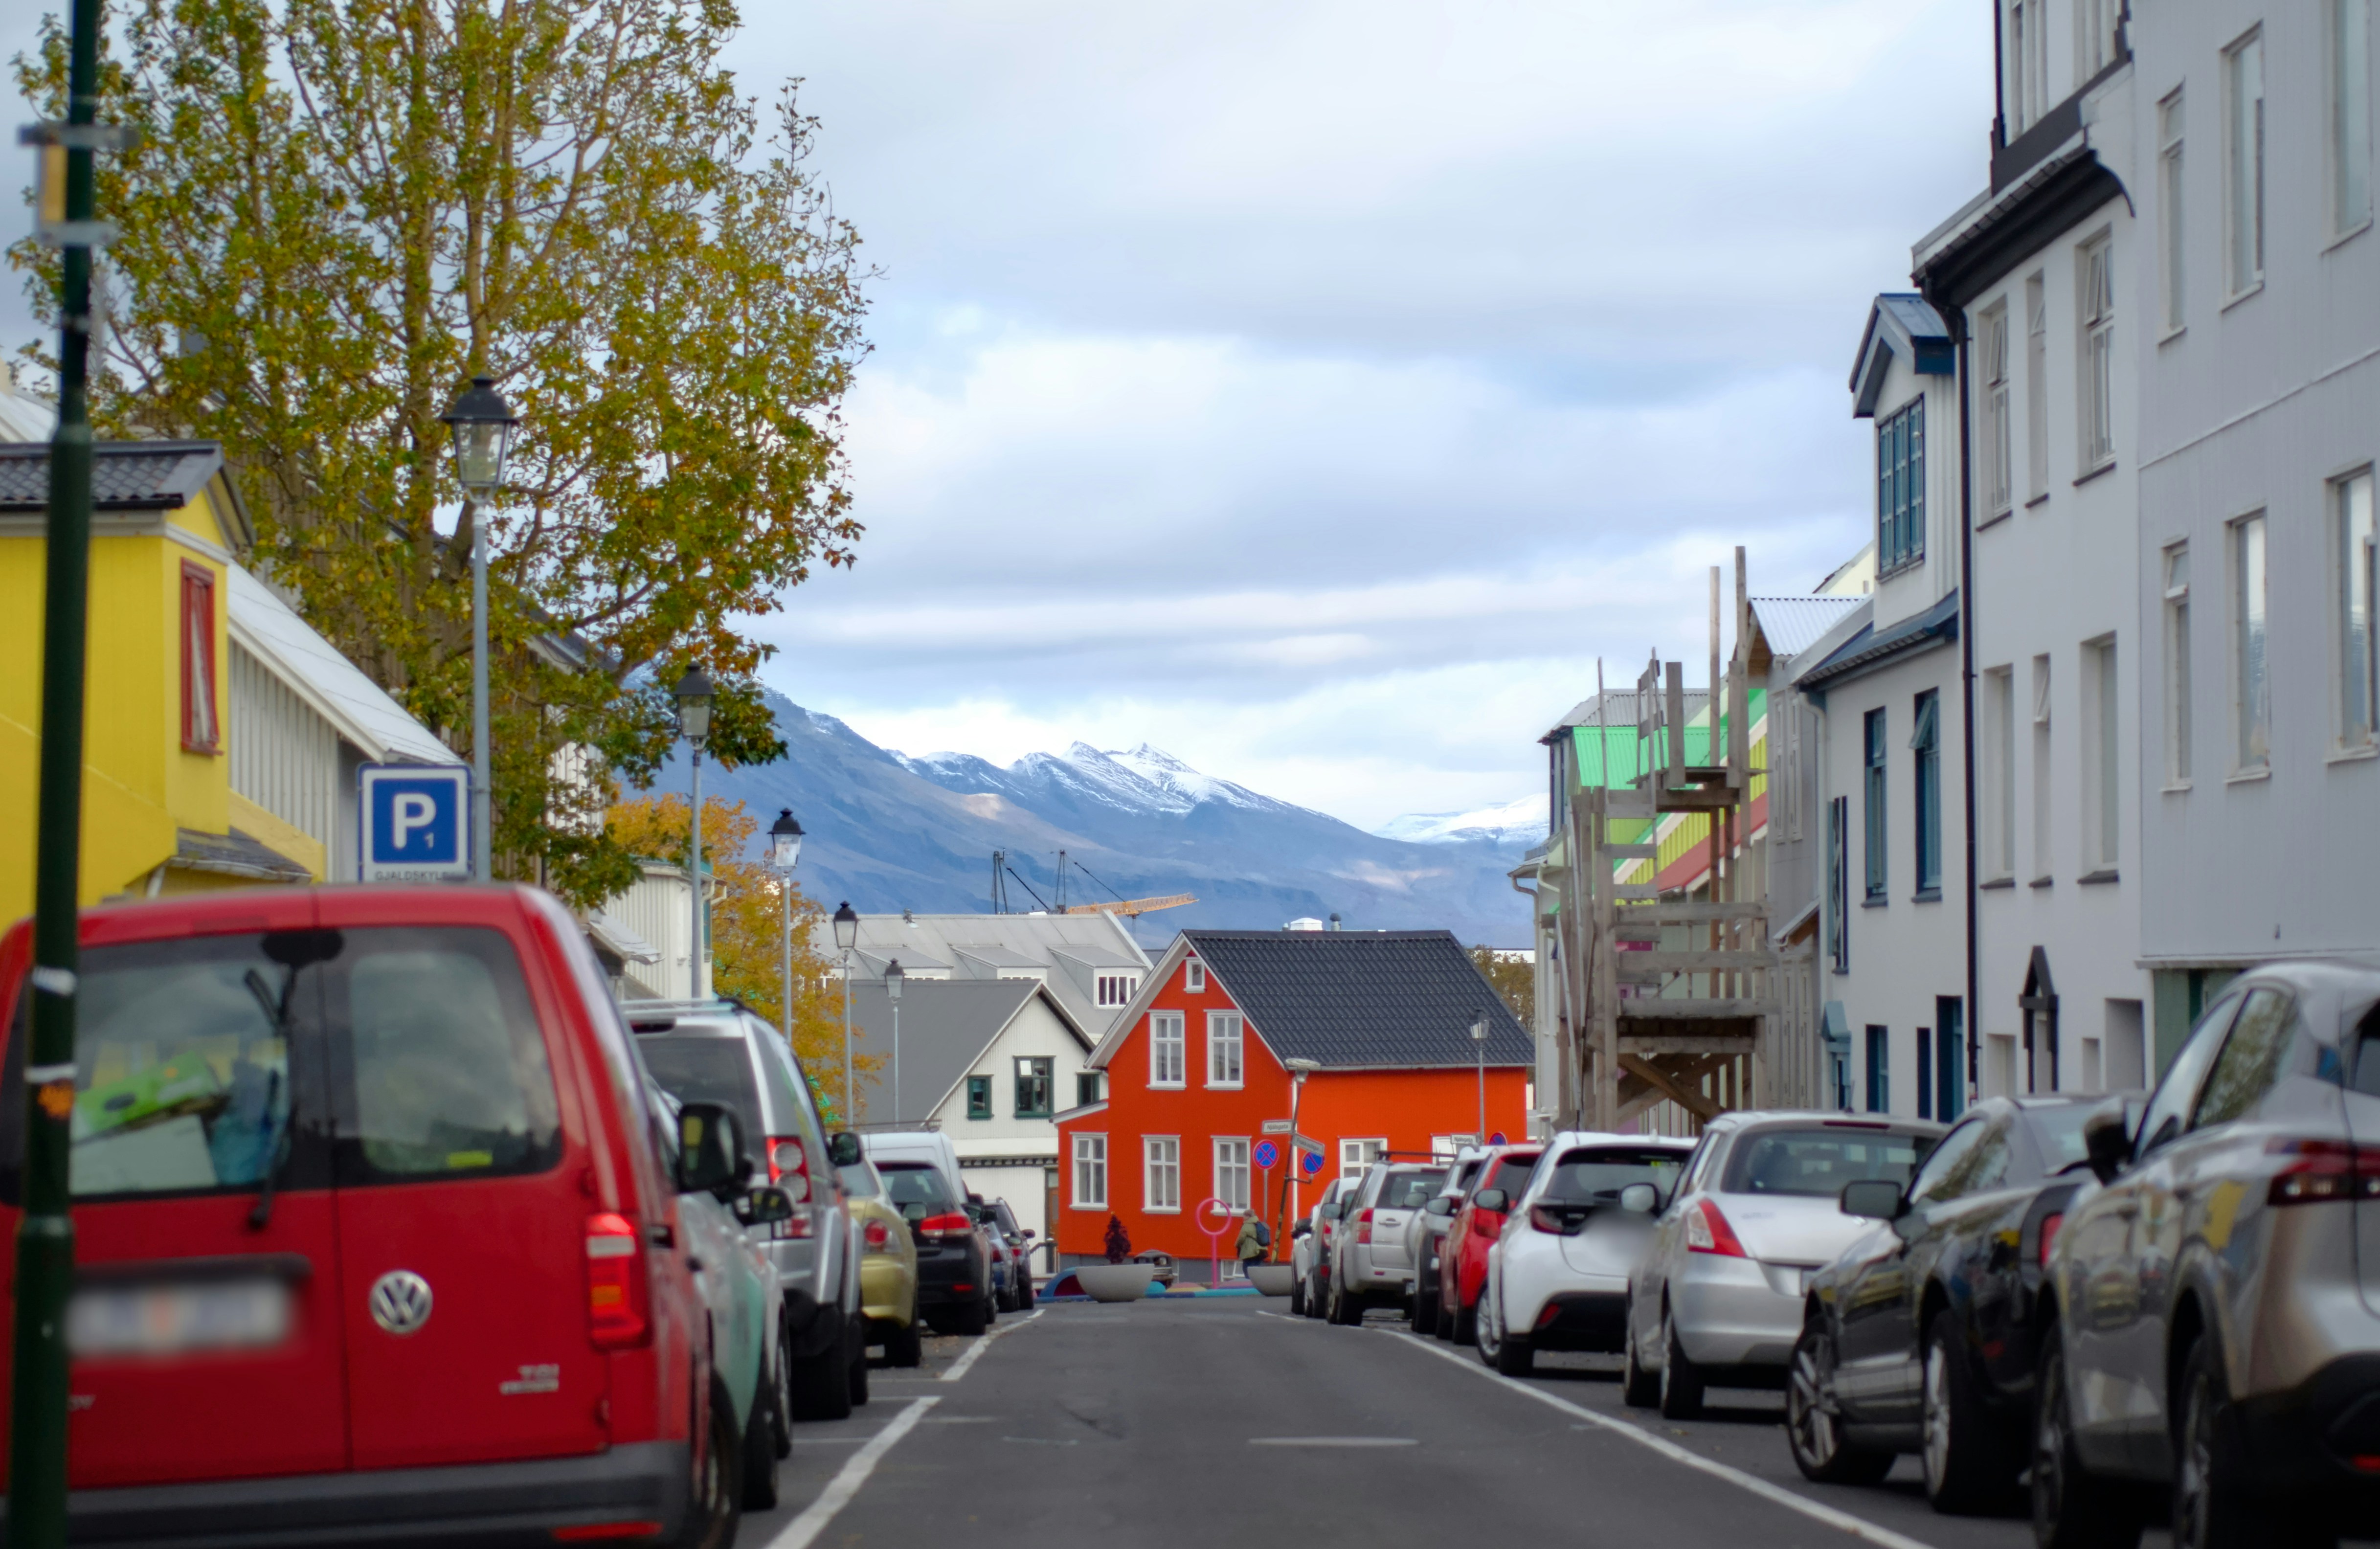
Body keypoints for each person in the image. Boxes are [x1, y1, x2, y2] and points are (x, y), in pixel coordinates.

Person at [1235, 1213, 1270, 1277]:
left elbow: (1241, 1238)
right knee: (1257, 1268)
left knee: (1247, 1268)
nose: (1243, 1217)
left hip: (1250, 1251)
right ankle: (1257, 1282)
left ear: (1248, 1216)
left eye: (1244, 1216)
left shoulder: (1246, 1225)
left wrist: (1237, 1245)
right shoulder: (1260, 1224)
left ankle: (1249, 1282)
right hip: (1261, 1251)